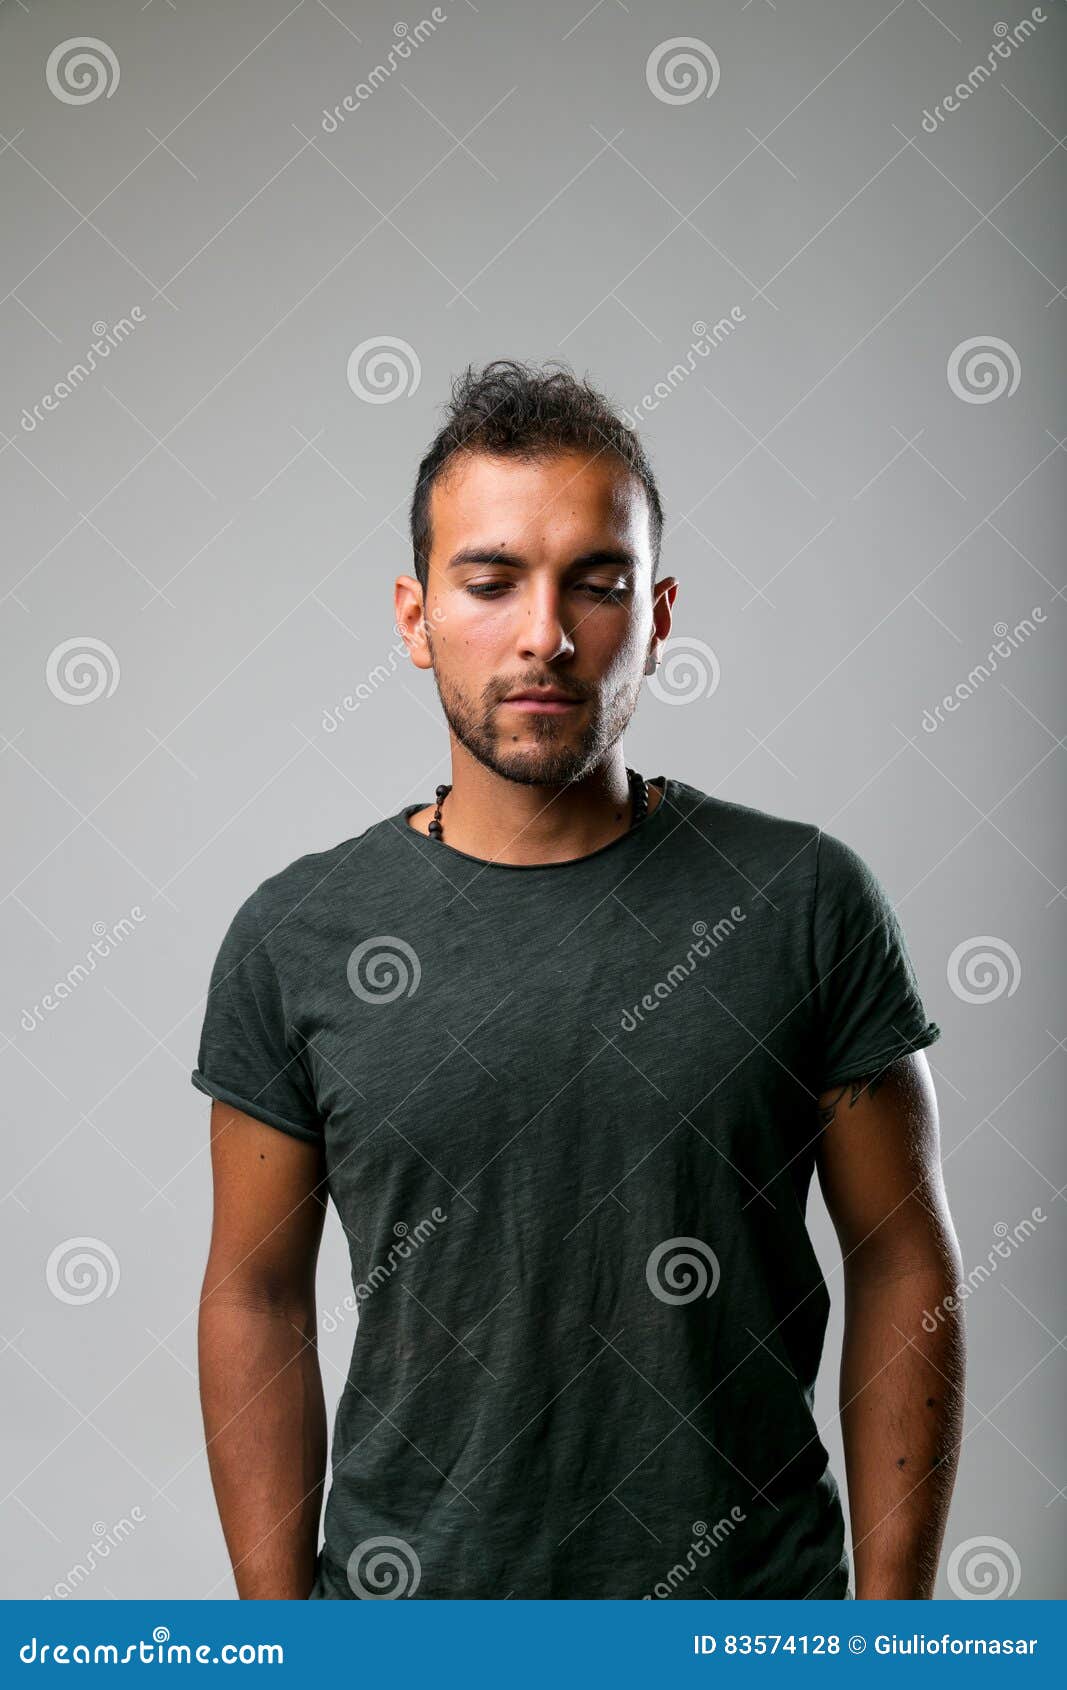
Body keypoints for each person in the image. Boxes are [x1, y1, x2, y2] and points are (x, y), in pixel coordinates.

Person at [192, 360, 964, 1601]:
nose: (544, 633)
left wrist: (887, 1641)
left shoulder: (803, 900)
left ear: (654, 614)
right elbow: (253, 1294)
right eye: (489, 580)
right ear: (413, 616)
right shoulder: (297, 935)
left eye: (594, 583)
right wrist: (284, 1645)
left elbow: (902, 1259)